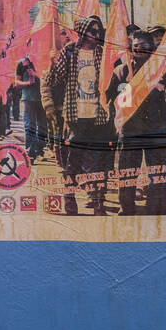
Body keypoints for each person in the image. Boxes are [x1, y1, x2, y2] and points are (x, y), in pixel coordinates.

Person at [43, 16, 112, 215]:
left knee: (99, 162)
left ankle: (99, 203)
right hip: (76, 116)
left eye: (98, 31)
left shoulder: (102, 53)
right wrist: (52, 64)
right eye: (92, 31)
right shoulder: (70, 51)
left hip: (98, 116)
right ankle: (70, 200)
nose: (96, 35)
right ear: (82, 32)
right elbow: (57, 80)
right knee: (73, 162)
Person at [108, 29, 166, 215]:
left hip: (155, 130)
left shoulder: (161, 71)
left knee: (156, 173)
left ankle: (155, 207)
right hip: (130, 130)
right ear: (131, 48)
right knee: (127, 172)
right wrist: (130, 88)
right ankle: (127, 207)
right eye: (136, 47)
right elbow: (113, 102)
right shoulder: (122, 71)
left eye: (145, 47)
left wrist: (158, 88)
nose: (140, 50)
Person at [13, 57, 47, 160]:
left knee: (42, 127)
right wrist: (28, 83)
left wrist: (35, 75)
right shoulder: (22, 63)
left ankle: (40, 151)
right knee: (30, 126)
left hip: (43, 98)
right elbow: (16, 83)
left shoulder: (43, 59)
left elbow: (49, 77)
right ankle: (31, 153)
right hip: (28, 99)